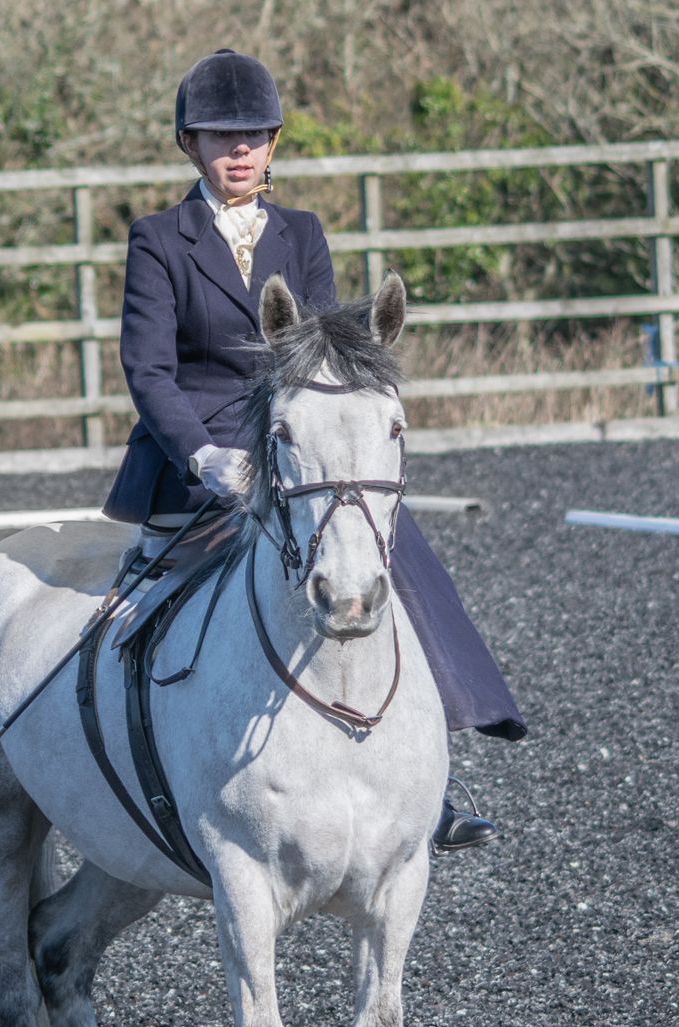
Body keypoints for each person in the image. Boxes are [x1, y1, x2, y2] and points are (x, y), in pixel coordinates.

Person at [102, 49, 525, 851]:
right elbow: (147, 370)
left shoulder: (303, 231)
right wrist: (202, 456)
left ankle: (434, 771)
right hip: (201, 455)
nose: (239, 151)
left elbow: (330, 353)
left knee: (390, 546)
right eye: (221, 137)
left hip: (299, 445)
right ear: (190, 145)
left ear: (273, 144)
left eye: (253, 136)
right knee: (183, 590)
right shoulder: (159, 238)